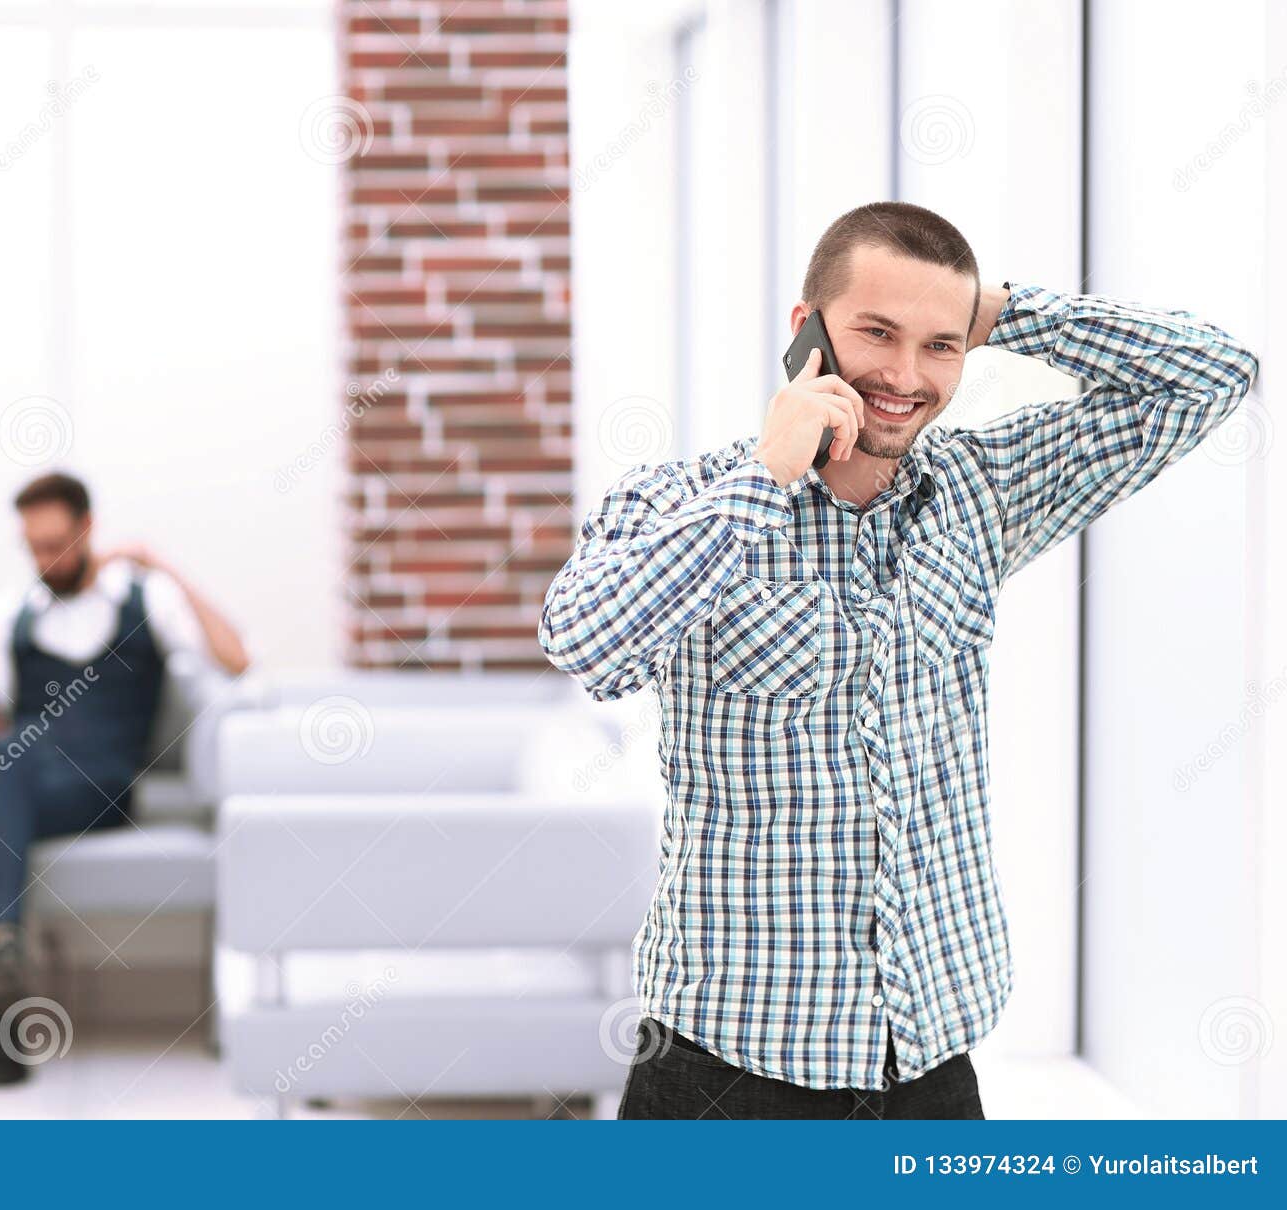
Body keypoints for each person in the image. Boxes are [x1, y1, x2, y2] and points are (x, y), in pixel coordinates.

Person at [539, 201, 1259, 1119]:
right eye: (877, 332)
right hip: (724, 1074)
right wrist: (766, 478)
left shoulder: (981, 490)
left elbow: (1209, 376)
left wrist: (997, 311)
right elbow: (586, 645)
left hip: (930, 1064)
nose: (906, 375)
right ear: (807, 335)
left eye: (940, 347)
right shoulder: (683, 503)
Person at [0, 471, 249, 1085]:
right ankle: (5, 956)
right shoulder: (8, 616)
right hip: (28, 781)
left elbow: (236, 658)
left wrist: (163, 566)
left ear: (88, 528)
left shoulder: (146, 599)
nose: (44, 559)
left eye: (56, 542)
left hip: (102, 784)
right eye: (33, 547)